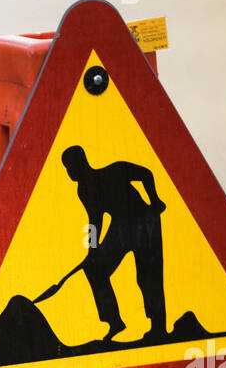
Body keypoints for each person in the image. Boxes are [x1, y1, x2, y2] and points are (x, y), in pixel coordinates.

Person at [61, 145, 167, 339]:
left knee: (147, 275)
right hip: (120, 226)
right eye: (66, 168)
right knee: (95, 269)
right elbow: (94, 219)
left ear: (81, 163)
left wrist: (155, 200)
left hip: (144, 221)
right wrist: (92, 250)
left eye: (70, 167)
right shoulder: (83, 190)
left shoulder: (115, 171)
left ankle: (158, 326)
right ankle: (114, 321)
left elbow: (146, 173)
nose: (69, 172)